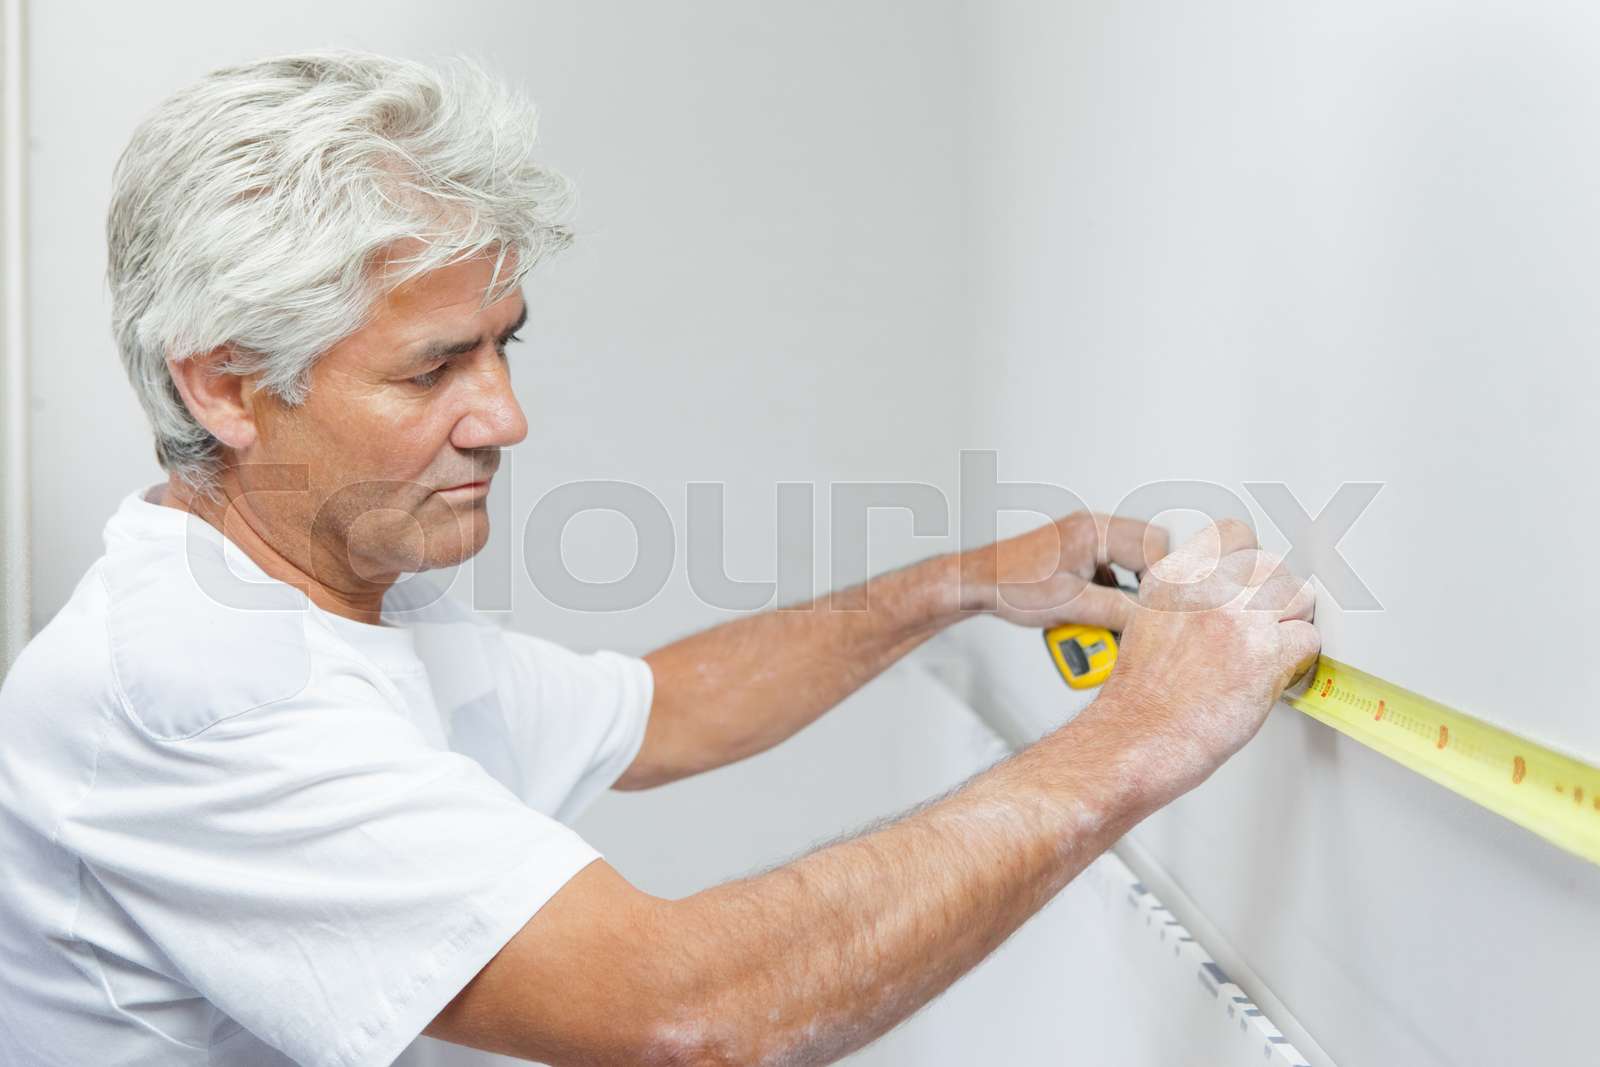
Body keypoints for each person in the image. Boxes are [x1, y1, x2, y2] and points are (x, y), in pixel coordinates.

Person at [0, 50, 1319, 1067]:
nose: (504, 416)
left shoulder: (331, 590)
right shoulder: (198, 688)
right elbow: (688, 1020)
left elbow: (660, 712)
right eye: (435, 367)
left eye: (504, 343)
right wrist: (1141, 734)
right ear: (229, 386)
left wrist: (959, 583)